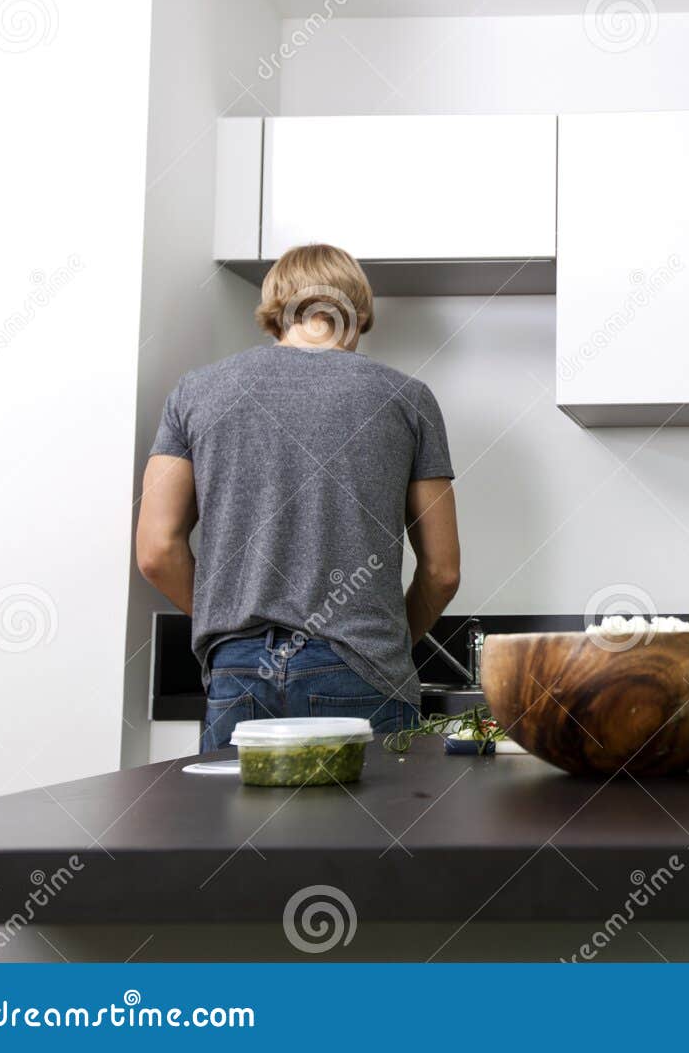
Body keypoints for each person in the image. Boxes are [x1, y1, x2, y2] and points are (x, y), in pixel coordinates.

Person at [136, 243, 461, 752]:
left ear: (275, 309)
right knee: (361, 833)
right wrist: (385, 647)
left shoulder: (196, 393)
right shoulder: (408, 400)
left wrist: (230, 619)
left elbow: (156, 552)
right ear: (357, 311)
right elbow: (442, 572)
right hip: (362, 669)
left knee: (240, 831)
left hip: (238, 672)